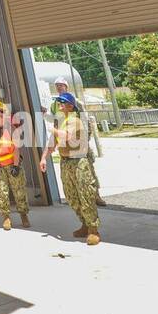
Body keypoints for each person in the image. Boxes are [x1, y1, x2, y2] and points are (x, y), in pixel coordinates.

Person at [40, 91, 101, 245]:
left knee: (85, 195)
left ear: (70, 105)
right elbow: (53, 142)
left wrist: (50, 127)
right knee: (71, 195)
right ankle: (84, 224)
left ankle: (93, 229)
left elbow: (66, 136)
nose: (59, 103)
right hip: (66, 162)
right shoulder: (60, 121)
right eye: (58, 101)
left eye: (62, 101)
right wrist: (43, 158)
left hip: (79, 163)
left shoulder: (76, 120)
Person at [48, 76, 107, 207]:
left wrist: (85, 139)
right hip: (66, 142)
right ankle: (77, 198)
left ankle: (96, 195)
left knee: (88, 171)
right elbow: (56, 121)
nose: (59, 87)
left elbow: (85, 121)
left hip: (79, 141)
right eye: (57, 85)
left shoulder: (76, 102)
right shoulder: (55, 105)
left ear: (66, 87)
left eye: (61, 85)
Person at [0, 101, 30, 230]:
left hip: (11, 164)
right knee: (2, 192)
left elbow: (16, 149)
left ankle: (23, 215)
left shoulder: (11, 129)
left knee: (19, 191)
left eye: (1, 111)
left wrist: (15, 166)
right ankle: (6, 218)